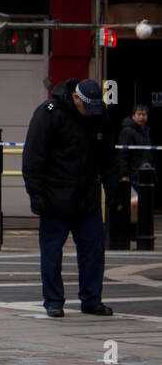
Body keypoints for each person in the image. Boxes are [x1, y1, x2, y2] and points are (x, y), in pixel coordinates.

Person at [22, 78, 118, 318]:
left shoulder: (99, 116)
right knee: (52, 254)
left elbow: (108, 158)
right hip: (55, 199)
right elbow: (33, 158)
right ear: (76, 98)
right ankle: (53, 301)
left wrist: (114, 191)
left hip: (87, 198)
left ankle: (92, 300)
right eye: (88, 108)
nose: (90, 114)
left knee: (94, 253)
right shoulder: (49, 114)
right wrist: (37, 197)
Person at [118, 104, 153, 184]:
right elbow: (123, 154)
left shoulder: (146, 131)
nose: (141, 117)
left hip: (145, 174)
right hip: (132, 176)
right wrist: (124, 175)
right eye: (139, 114)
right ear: (133, 116)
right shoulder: (127, 132)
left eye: (144, 114)